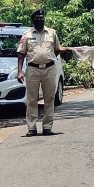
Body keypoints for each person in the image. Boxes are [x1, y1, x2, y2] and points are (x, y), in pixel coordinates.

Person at [17, 9, 62, 137]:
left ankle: (47, 127)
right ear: (33, 20)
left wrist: (49, 59)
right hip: (32, 69)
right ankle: (32, 128)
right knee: (32, 99)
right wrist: (20, 72)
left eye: (42, 17)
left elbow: (56, 50)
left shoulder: (52, 33)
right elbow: (21, 54)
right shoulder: (27, 35)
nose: (40, 20)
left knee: (50, 98)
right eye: (37, 18)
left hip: (49, 69)